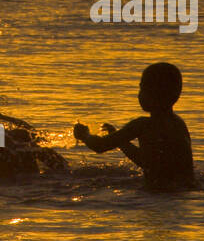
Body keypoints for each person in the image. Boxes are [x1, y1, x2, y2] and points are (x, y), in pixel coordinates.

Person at [73, 61, 194, 192]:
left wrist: (85, 135)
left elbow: (100, 146)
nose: (139, 94)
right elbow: (148, 161)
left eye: (142, 88)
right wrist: (120, 140)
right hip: (182, 190)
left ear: (151, 93)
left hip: (156, 191)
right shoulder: (178, 124)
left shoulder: (143, 124)